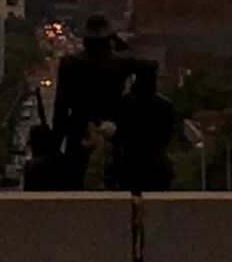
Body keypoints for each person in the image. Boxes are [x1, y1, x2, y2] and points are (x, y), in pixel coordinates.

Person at [52, 13, 145, 189]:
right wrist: (116, 40)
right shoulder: (121, 62)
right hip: (113, 128)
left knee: (75, 184)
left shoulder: (71, 63)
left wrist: (56, 143)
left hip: (79, 129)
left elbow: (61, 105)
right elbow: (142, 63)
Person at [114, 61, 174, 194]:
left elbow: (119, 134)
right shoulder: (165, 105)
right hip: (156, 162)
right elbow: (167, 135)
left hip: (130, 162)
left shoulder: (125, 102)